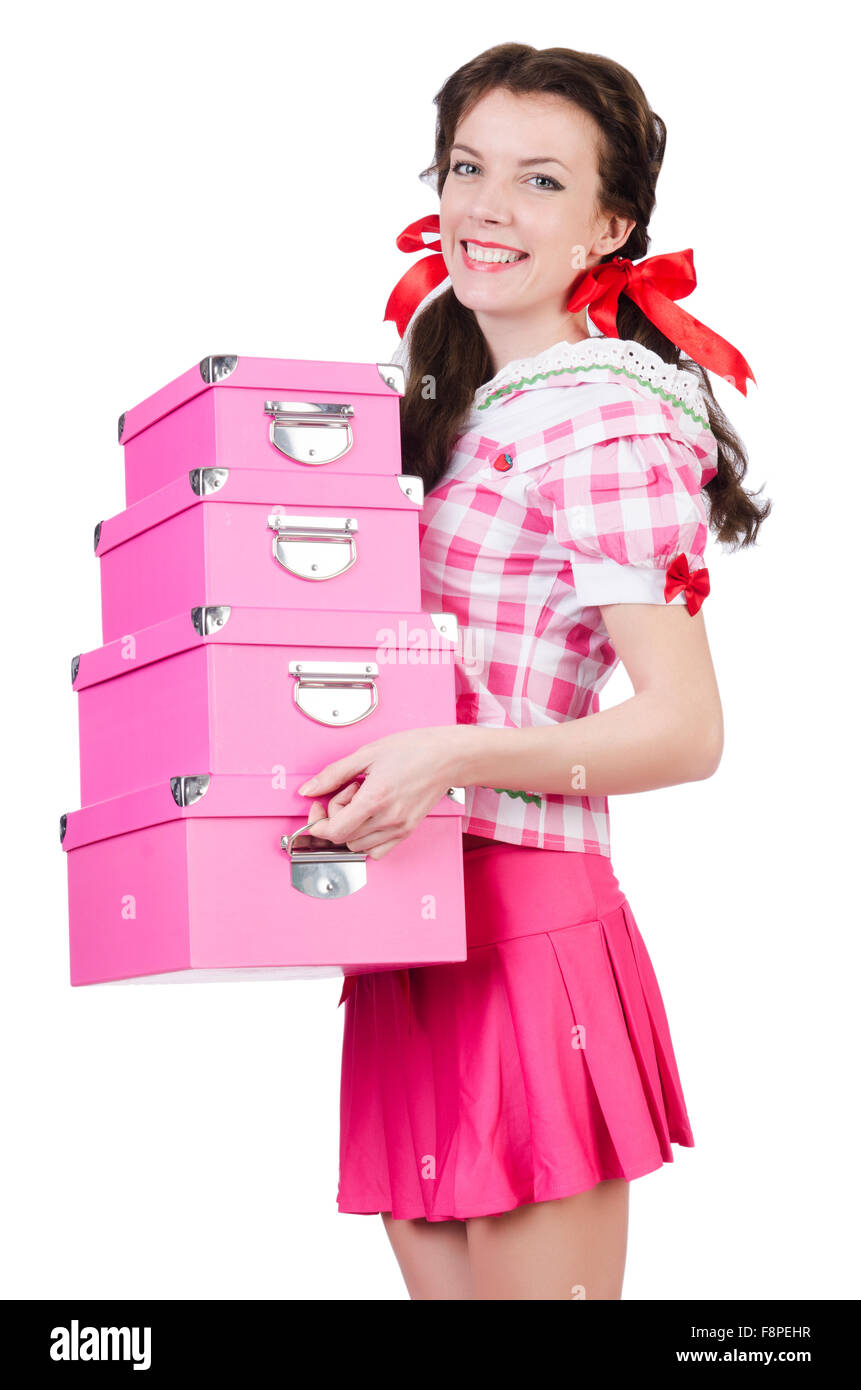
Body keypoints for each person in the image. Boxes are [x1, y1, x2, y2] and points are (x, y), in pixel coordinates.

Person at [296, 42, 770, 1300]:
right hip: (408, 923)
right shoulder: (458, 405)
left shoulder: (603, 416)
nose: (487, 207)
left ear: (611, 226)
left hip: (522, 929)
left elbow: (685, 728)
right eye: (468, 167)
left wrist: (447, 753)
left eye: (542, 181)